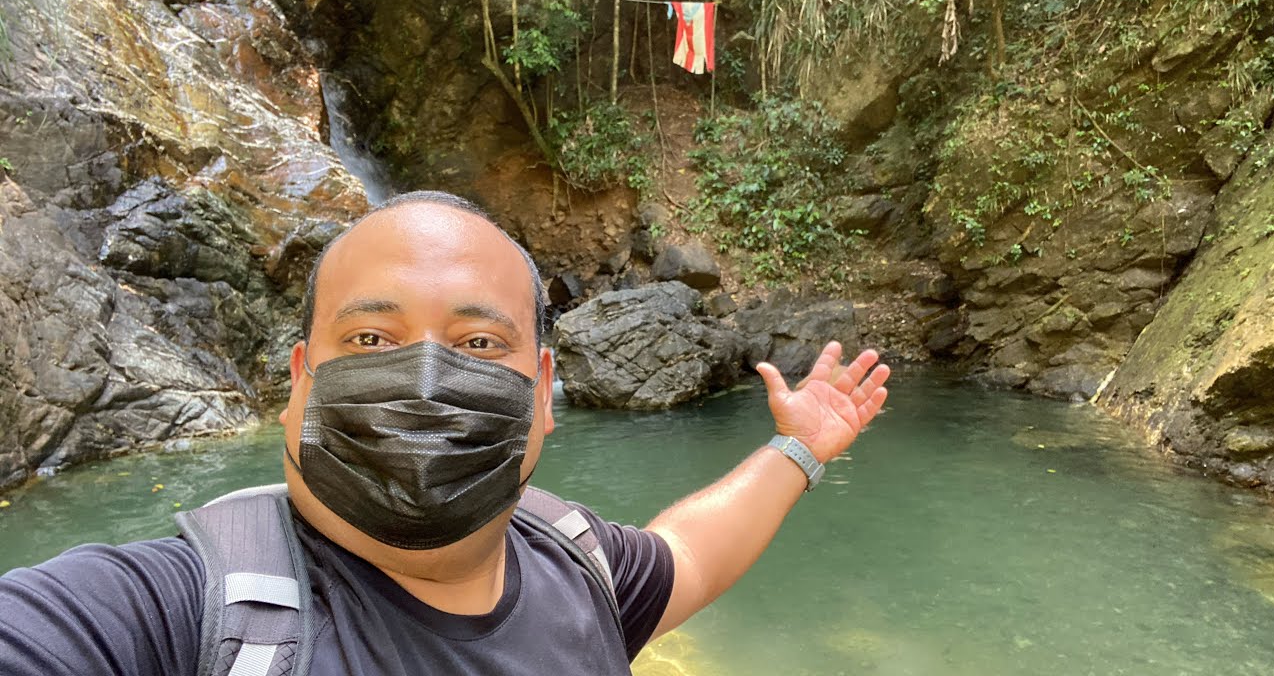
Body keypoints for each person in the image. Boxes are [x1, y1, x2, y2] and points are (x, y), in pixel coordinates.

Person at [0, 191, 890, 675]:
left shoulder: (579, 568)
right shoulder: (172, 620)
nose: (426, 381)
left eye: (476, 343)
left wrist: (800, 447)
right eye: (373, 340)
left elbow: (687, 556)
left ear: (544, 390)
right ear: (299, 380)